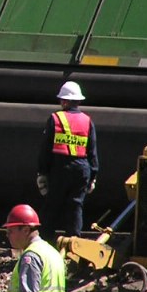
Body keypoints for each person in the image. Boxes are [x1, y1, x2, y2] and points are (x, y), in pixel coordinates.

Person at [37, 81, 98, 242]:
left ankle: (45, 243)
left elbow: (46, 149)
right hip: (82, 169)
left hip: (60, 168)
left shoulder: (55, 118)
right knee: (75, 206)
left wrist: (42, 172)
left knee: (52, 206)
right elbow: (92, 151)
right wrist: (93, 176)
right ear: (78, 101)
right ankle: (74, 245)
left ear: (64, 101)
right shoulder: (87, 120)